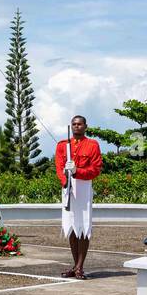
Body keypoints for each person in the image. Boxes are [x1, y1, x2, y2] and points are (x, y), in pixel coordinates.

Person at [55, 115, 102, 279]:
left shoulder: (92, 145)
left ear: (85, 126)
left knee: (83, 227)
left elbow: (96, 169)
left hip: (83, 187)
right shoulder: (62, 145)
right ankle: (76, 266)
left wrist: (77, 171)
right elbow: (59, 166)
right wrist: (65, 180)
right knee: (72, 227)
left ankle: (80, 267)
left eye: (80, 124)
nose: (77, 127)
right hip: (68, 188)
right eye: (74, 124)